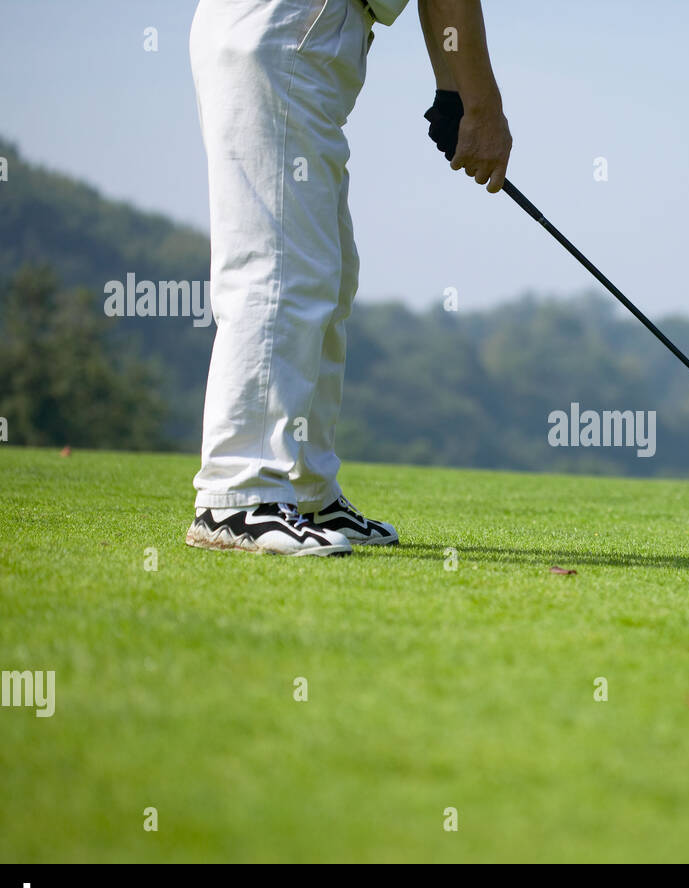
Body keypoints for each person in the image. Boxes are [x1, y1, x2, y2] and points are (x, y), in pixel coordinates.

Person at [184, 0, 512, 556]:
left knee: (328, 275)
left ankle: (306, 489)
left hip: (297, 41)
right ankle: (238, 495)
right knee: (280, 266)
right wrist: (482, 107)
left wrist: (452, 94)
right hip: (284, 37)